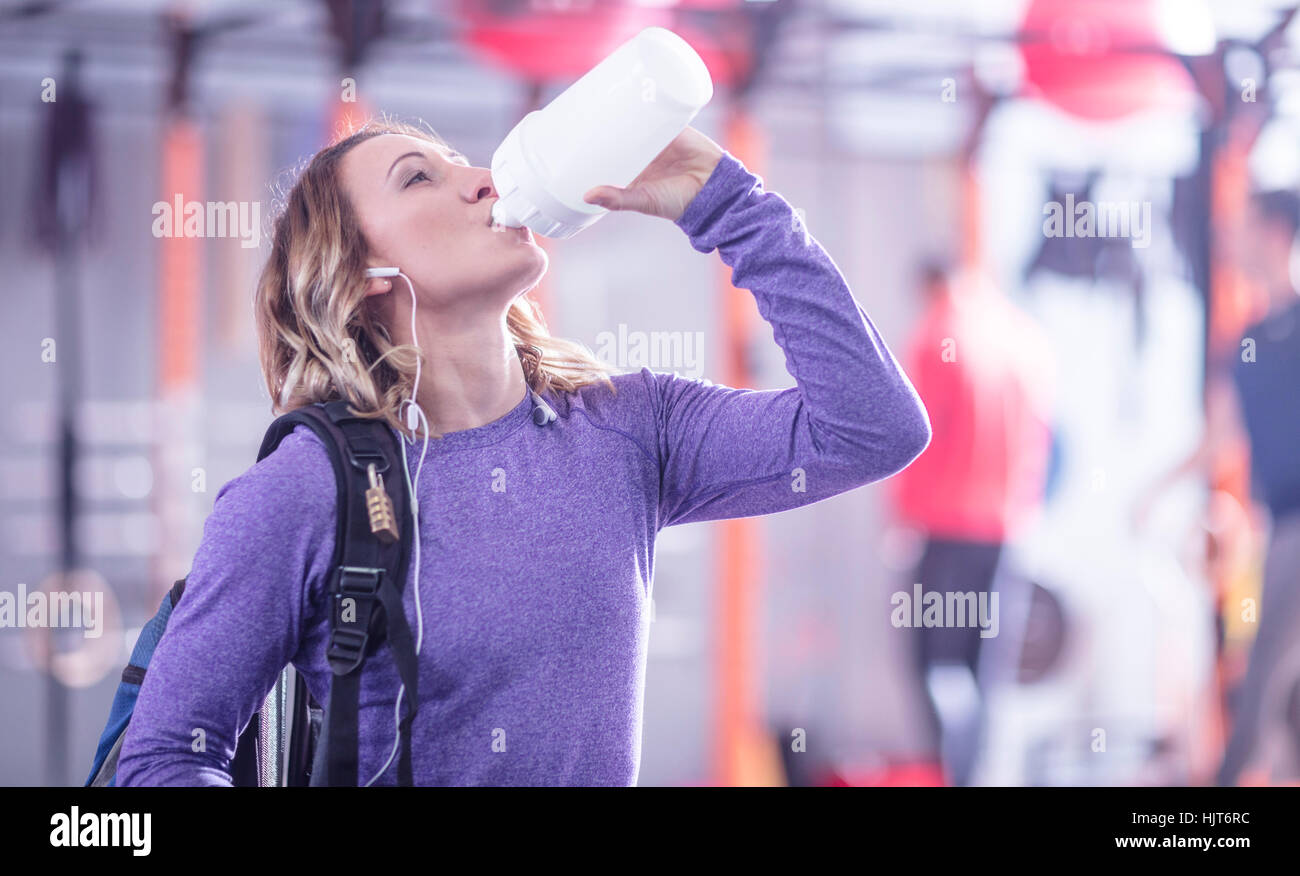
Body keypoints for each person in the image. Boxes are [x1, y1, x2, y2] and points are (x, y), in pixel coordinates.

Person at [115, 119, 932, 785]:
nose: (481, 178)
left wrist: (728, 204)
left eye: (462, 162)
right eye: (418, 177)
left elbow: (872, 427)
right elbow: (161, 765)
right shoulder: (302, 492)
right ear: (361, 271)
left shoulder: (628, 428)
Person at [1137, 188, 1300, 785]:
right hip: (1279, 529)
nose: (1233, 237)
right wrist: (1156, 491)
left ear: (1279, 232)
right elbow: (1222, 437)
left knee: (1263, 687)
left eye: (1247, 224)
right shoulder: (1250, 341)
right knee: (1283, 694)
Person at [889, 259, 1055, 787]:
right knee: (987, 676)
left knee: (935, 667)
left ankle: (957, 776)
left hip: (944, 531)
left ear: (931, 283)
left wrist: (903, 519)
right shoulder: (1024, 339)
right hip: (1007, 532)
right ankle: (980, 776)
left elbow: (916, 435)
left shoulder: (940, 335)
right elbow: (1043, 440)